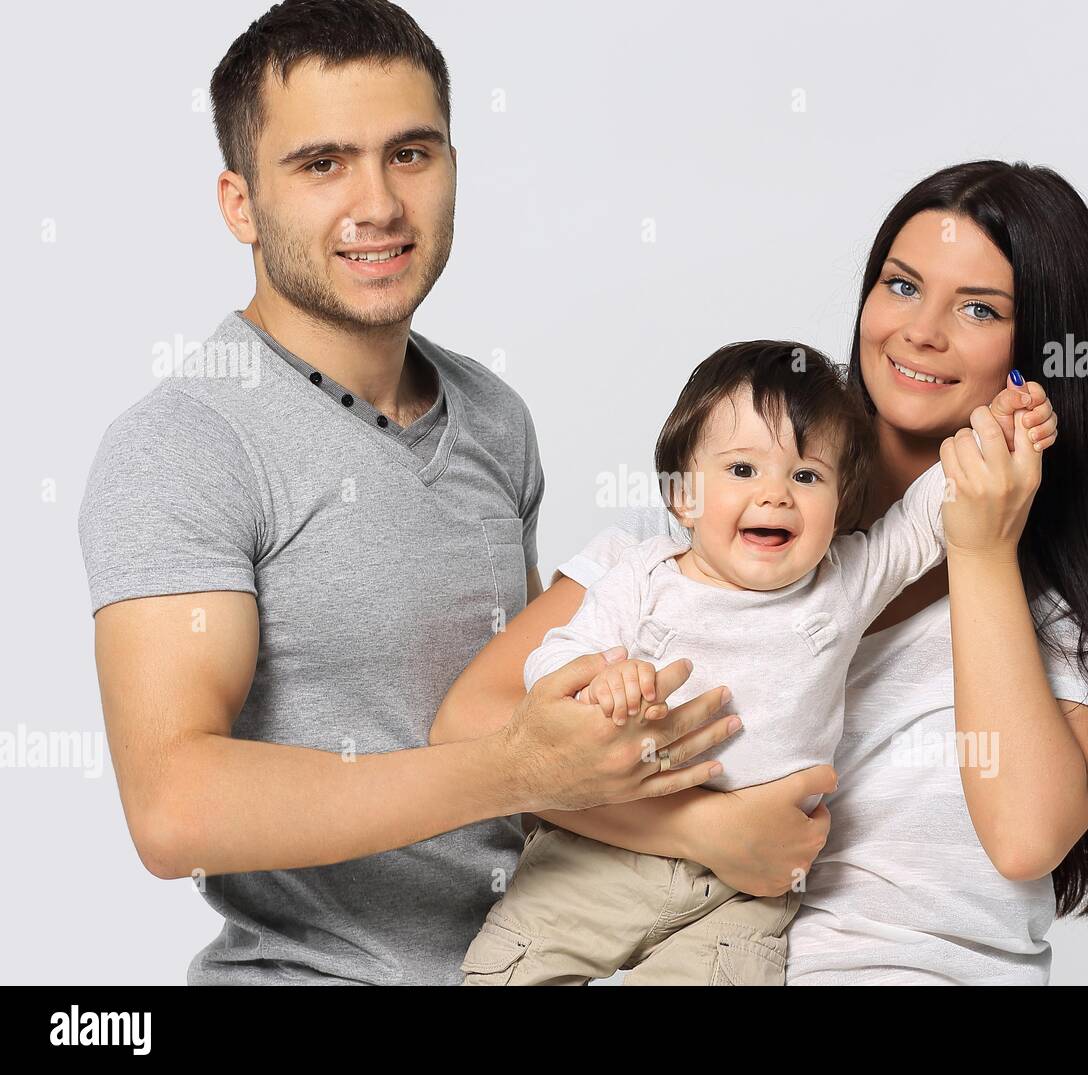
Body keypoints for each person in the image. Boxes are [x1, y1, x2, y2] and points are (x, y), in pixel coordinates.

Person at [76, 0, 736, 986]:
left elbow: (527, 718)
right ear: (239, 203)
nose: (378, 203)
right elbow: (174, 808)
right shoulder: (184, 443)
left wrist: (716, 828)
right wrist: (517, 766)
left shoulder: (494, 416)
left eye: (412, 153)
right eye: (321, 163)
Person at [435, 161, 1088, 984]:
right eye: (901, 287)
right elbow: (470, 730)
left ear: (1035, 359)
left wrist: (981, 545)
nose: (922, 331)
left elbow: (1022, 838)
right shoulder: (693, 554)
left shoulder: (1056, 623)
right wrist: (697, 829)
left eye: (979, 308)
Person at [447, 339, 1056, 984]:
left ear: (839, 506)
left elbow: (919, 521)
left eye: (806, 476)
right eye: (742, 470)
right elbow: (553, 659)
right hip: (604, 847)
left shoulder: (844, 583)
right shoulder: (642, 577)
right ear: (682, 496)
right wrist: (602, 685)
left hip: (747, 891)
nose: (775, 495)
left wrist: (998, 429)